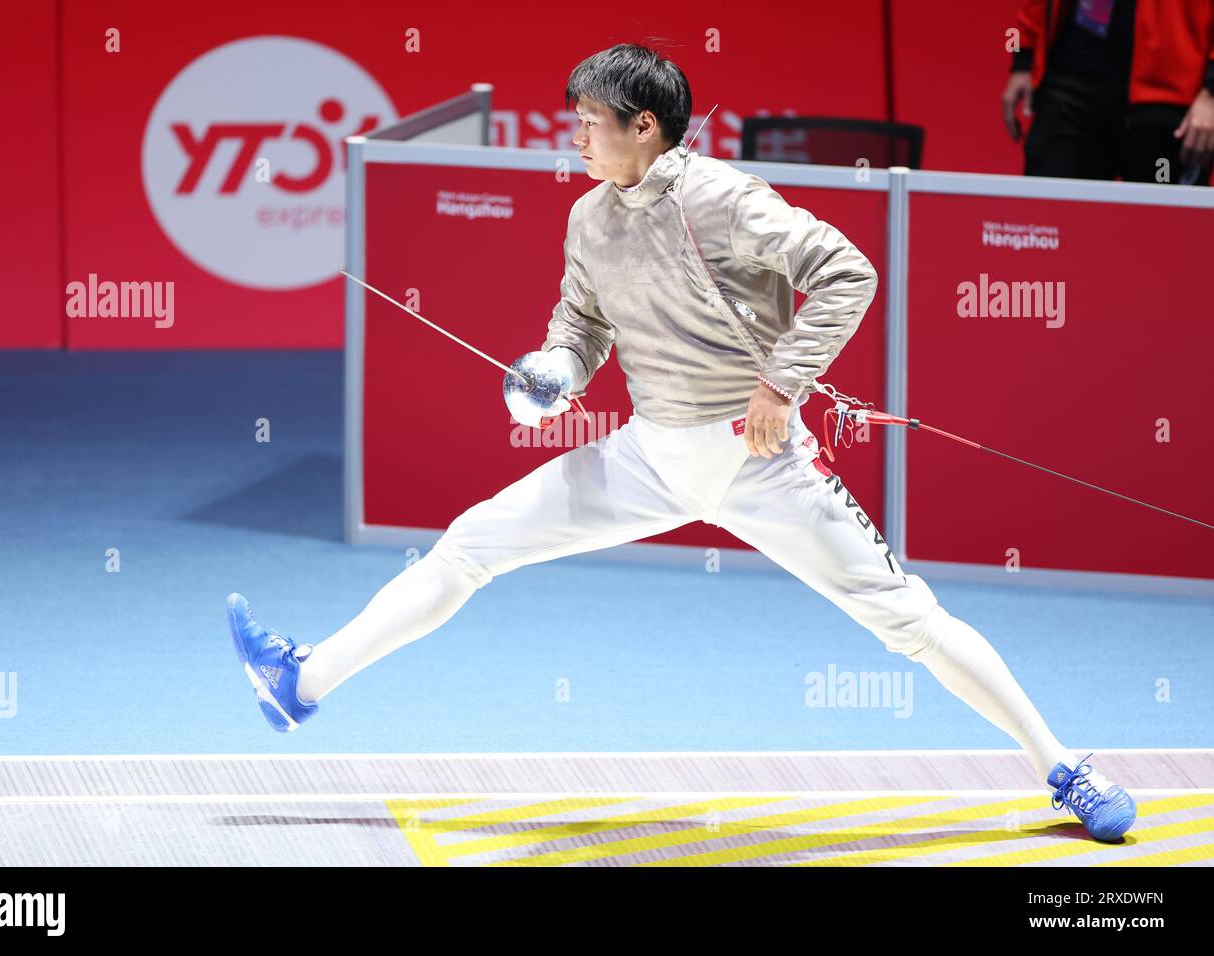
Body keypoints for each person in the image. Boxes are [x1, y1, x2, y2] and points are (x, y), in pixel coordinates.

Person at [229, 42, 1137, 843]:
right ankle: (302, 684)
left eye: (591, 123)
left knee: (911, 625)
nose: (576, 139)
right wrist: (550, 375)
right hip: (648, 456)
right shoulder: (588, 216)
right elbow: (580, 327)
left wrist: (784, 384)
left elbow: (847, 271)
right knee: (470, 545)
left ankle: (1066, 768)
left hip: (757, 460)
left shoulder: (723, 197)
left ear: (646, 126)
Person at [1002, 0, 1214, 184]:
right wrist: (1024, 52)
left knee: (1163, 226)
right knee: (1051, 220)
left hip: (1167, 99)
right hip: (1071, 81)